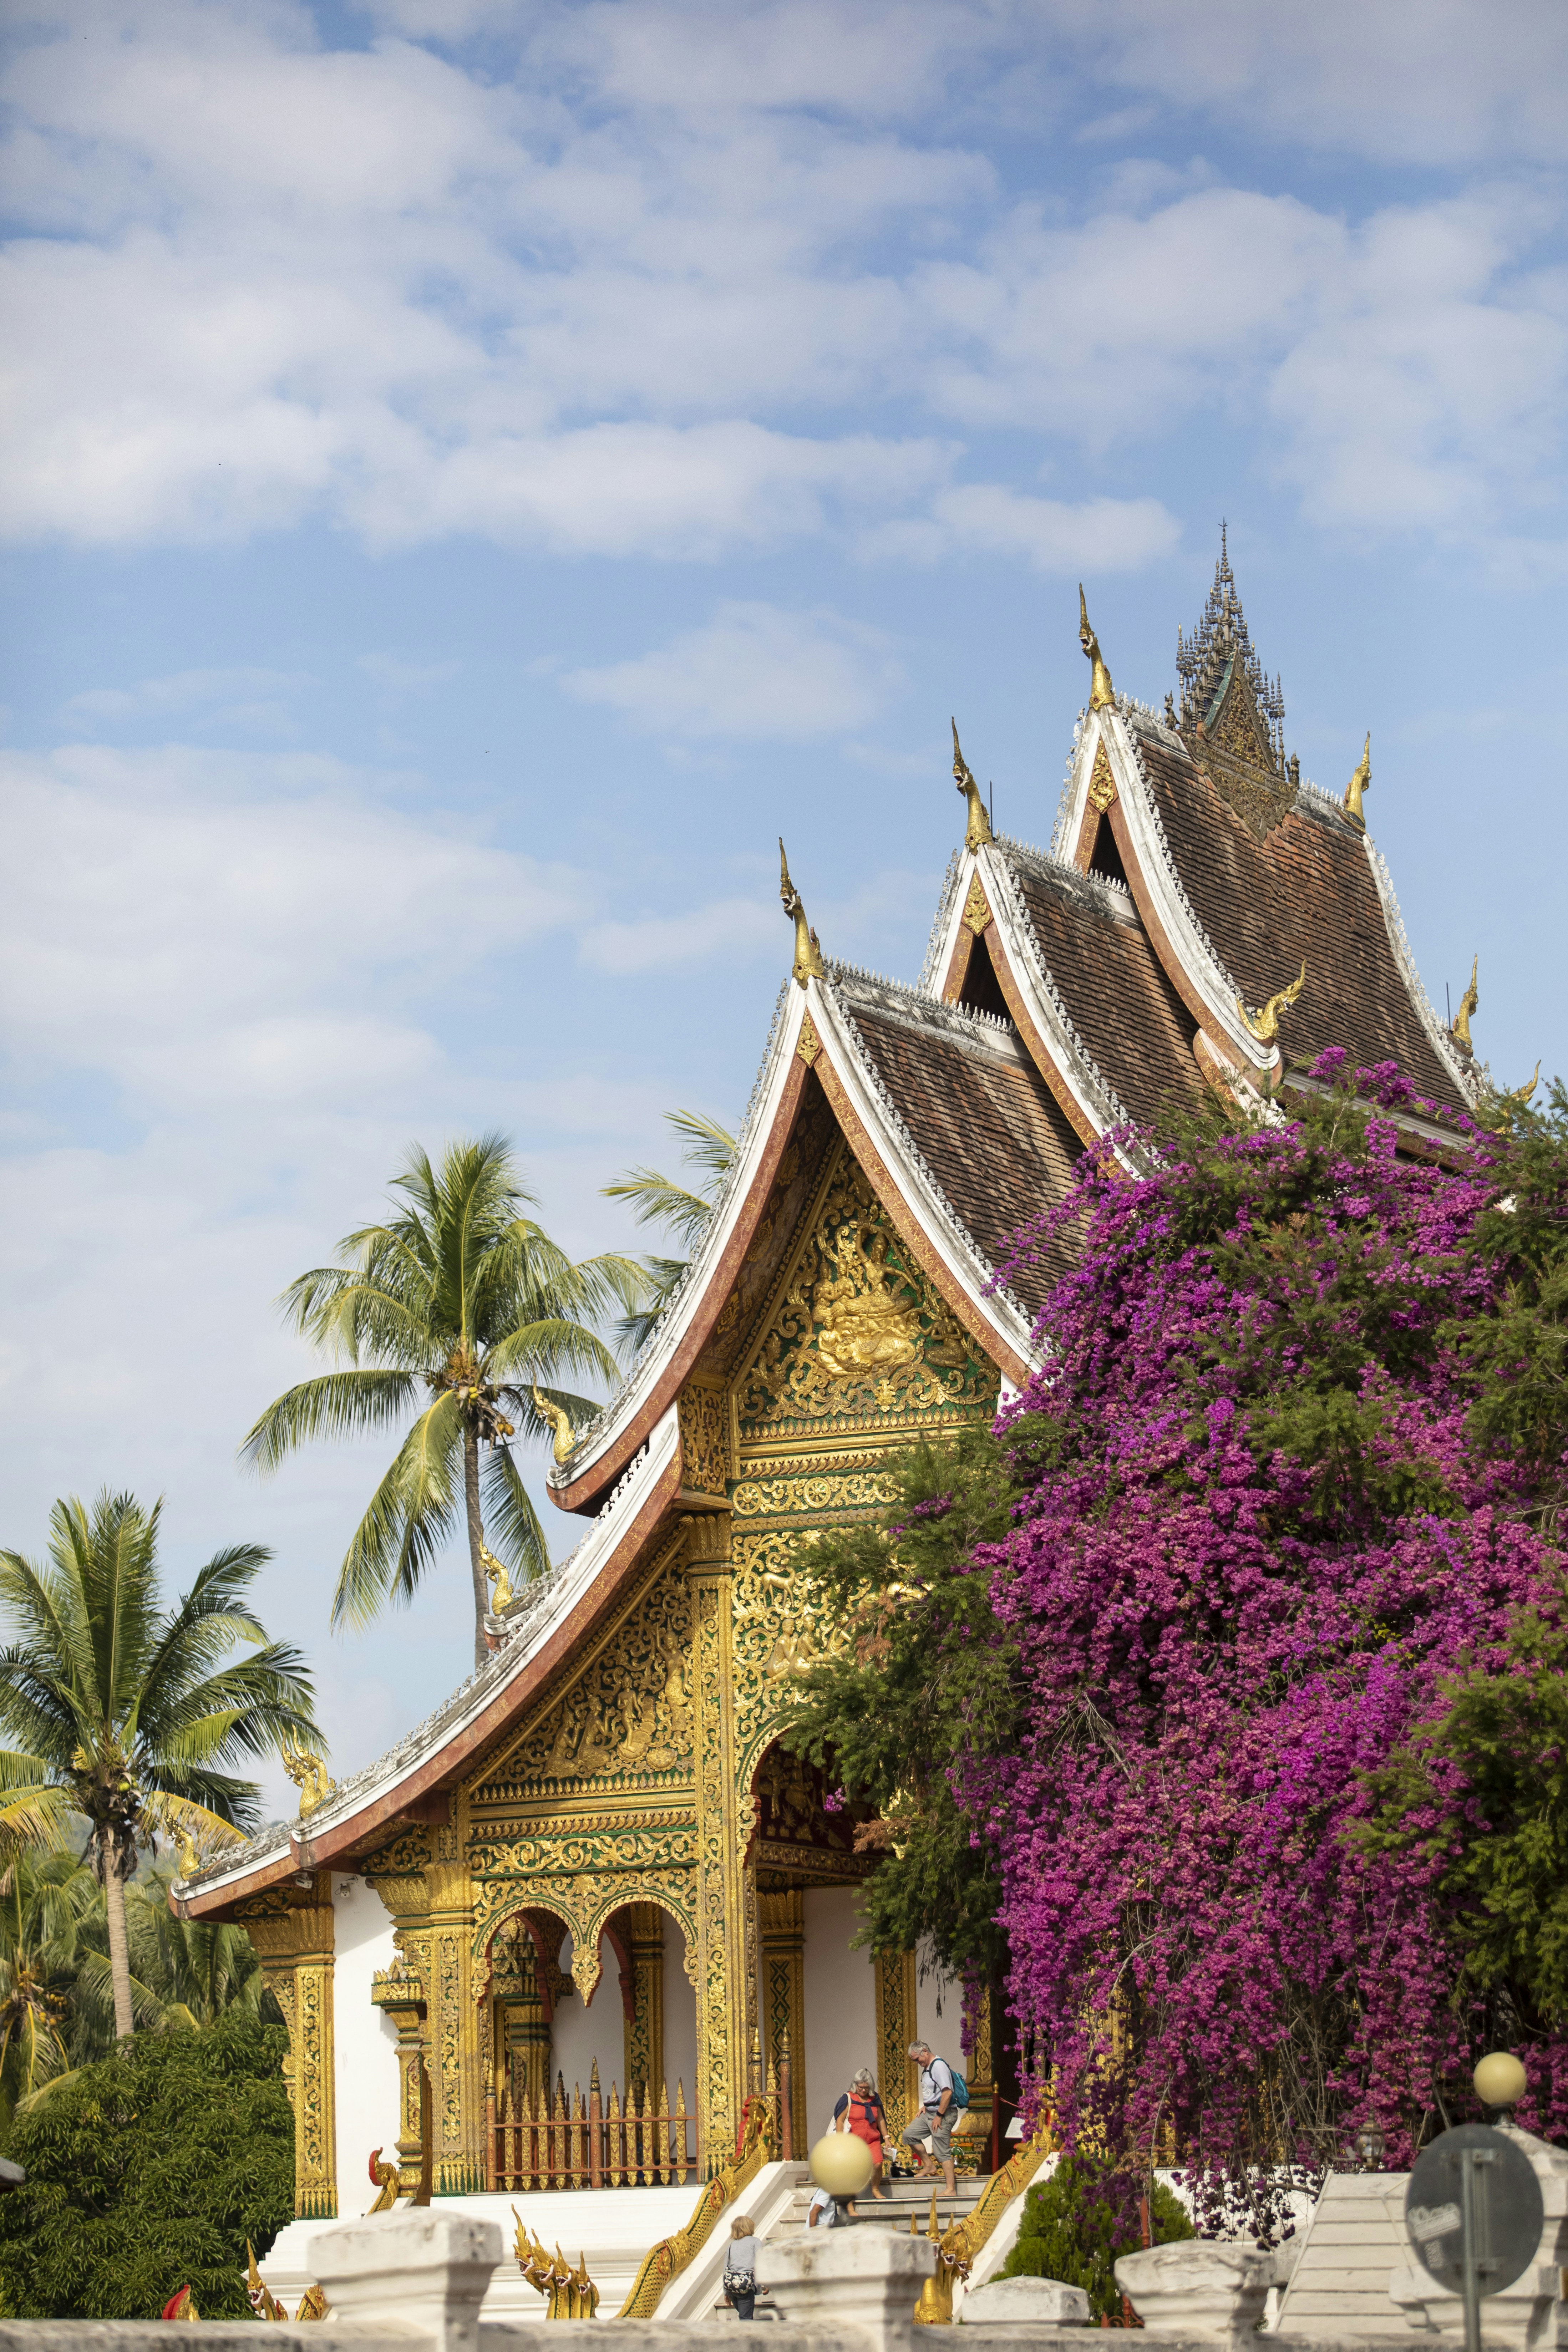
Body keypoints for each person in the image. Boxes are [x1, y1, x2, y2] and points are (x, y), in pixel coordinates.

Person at [901, 2039, 957, 2198]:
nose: (917, 2063)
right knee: (910, 2135)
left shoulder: (938, 2066)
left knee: (941, 2150)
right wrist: (926, 2106)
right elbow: (934, 2092)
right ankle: (929, 2166)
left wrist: (939, 2116)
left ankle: (951, 2189)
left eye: (917, 2059)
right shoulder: (927, 2068)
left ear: (925, 2052)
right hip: (930, 2112)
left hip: (943, 2114)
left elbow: (947, 2092)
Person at [832, 2067, 891, 2205]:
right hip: (854, 2143)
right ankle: (850, 2201)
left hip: (872, 2140)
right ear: (855, 2085)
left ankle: (875, 2189)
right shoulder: (848, 2098)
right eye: (860, 2087)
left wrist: (887, 2138)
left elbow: (881, 2119)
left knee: (878, 2164)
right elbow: (839, 2120)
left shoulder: (874, 2099)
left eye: (866, 2087)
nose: (863, 2090)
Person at [723, 2213, 759, 2320]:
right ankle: (745, 2337)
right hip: (745, 2285)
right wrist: (764, 2284)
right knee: (746, 2319)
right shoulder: (755, 2242)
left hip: (731, 2286)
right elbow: (761, 2262)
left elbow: (725, 2268)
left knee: (744, 2315)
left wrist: (726, 2292)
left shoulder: (732, 2246)